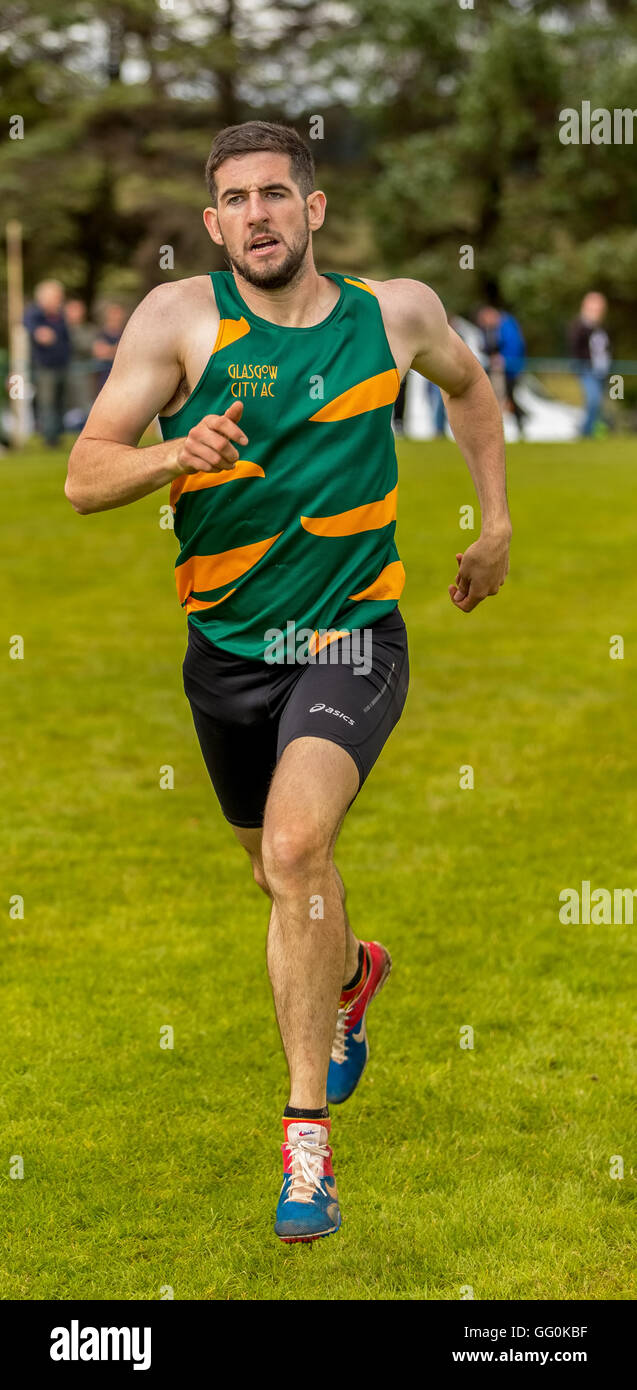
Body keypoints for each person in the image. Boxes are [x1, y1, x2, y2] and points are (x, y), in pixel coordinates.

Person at [65, 120, 511, 1245]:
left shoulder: (395, 311)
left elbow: (471, 387)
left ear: (313, 209)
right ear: (213, 226)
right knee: (281, 887)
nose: (256, 212)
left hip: (351, 637)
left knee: (295, 849)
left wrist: (493, 519)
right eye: (233, 199)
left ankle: (305, 1144)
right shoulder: (180, 321)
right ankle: (353, 970)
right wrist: (175, 453)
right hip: (224, 657)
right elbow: (83, 474)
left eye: (275, 192)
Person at [24, 279, 71, 447]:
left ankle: (58, 435)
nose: (60, 300)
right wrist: (42, 334)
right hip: (45, 366)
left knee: (60, 401)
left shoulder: (60, 315)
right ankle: (50, 438)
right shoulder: (34, 314)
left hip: (62, 363)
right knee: (48, 402)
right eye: (57, 296)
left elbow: (66, 338)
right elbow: (37, 333)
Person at [477, 305, 527, 438]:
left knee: (506, 397)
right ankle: (520, 421)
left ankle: (520, 420)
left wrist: (503, 359)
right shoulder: (500, 327)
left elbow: (514, 347)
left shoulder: (507, 326)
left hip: (510, 369)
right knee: (508, 397)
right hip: (506, 368)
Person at [568, 292, 612, 437]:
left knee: (600, 402)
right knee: (593, 400)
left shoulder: (602, 328)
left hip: (602, 370)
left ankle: (595, 431)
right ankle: (585, 432)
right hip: (586, 369)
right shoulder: (579, 326)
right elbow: (575, 348)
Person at [65, 298, 98, 431]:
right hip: (64, 372)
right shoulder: (62, 329)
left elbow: (94, 347)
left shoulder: (90, 330)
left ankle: (91, 431)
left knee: (86, 403)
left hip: (84, 375)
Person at [92, 303, 127, 392]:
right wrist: (118, 349)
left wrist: (109, 350)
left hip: (123, 378)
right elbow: (99, 353)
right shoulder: (100, 333)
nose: (116, 317)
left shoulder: (126, 333)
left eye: (118, 314)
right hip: (104, 379)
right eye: (113, 314)